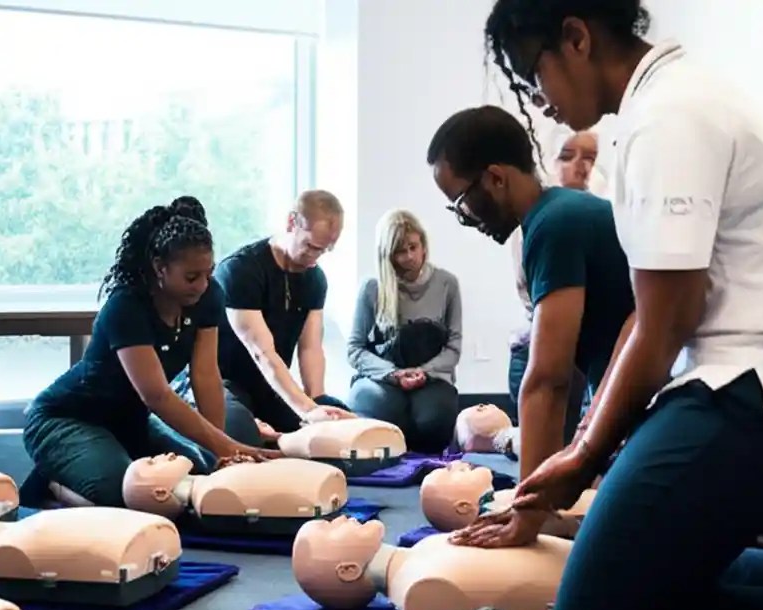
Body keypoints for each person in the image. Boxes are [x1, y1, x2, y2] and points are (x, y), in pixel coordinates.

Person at [453, 0, 763, 610]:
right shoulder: (669, 102)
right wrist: (587, 446)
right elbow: (644, 318)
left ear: (576, 38)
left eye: (532, 73)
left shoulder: (669, 118)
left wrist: (583, 458)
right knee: (651, 577)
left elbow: (666, 322)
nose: (540, 102)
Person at [428, 106, 633, 495]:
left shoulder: (554, 225)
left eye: (461, 204)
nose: (465, 218)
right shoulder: (563, 212)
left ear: (495, 178)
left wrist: (528, 507)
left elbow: (546, 381)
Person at [23, 197, 277, 508]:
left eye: (208, 274)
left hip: (130, 420)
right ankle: (52, 484)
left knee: (197, 474)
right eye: (191, 277)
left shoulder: (208, 296)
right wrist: (224, 446)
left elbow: (206, 375)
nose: (202, 285)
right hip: (68, 418)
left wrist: (220, 453)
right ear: (160, 268)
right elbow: (156, 395)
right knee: (131, 495)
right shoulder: (126, 306)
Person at [213, 190, 355, 447]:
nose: (314, 258)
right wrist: (307, 411)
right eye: (310, 247)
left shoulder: (315, 279)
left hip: (269, 389)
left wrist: (318, 404)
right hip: (223, 384)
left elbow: (310, 348)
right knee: (241, 431)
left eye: (323, 251)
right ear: (292, 222)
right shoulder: (240, 270)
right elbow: (263, 353)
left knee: (345, 429)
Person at [506, 129, 601, 440]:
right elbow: (528, 291)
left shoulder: (605, 213)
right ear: (548, 162)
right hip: (544, 337)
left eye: (590, 158)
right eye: (567, 156)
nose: (581, 166)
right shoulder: (534, 219)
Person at [346, 209, 462, 452]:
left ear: (423, 247)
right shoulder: (371, 287)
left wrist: (423, 372)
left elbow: (453, 347)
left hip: (431, 377)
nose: (409, 257)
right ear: (387, 255)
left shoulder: (447, 283)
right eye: (400, 251)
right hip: (382, 376)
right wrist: (393, 374)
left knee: (435, 421)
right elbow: (355, 350)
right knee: (382, 416)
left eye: (413, 247)